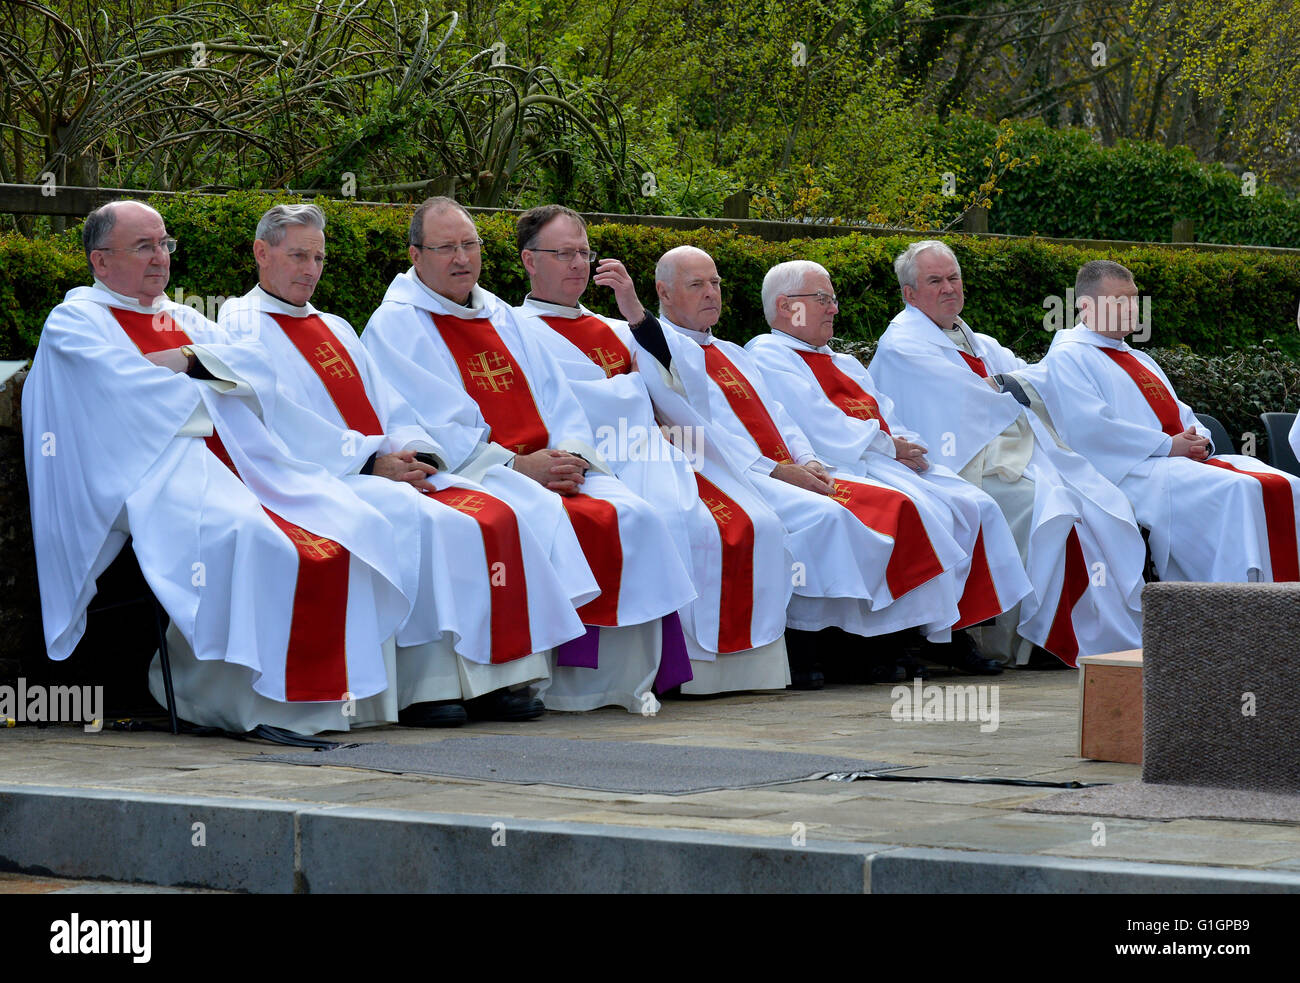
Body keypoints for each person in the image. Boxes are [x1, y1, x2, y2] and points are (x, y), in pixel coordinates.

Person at [23, 200, 416, 735]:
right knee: (258, 537)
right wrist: (208, 382)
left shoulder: (180, 317)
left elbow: (257, 366)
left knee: (352, 524)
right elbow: (121, 393)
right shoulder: (74, 321)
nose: (160, 257)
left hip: (236, 466)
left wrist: (187, 361)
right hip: (147, 476)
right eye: (144, 246)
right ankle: (231, 701)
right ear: (100, 261)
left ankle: (331, 703)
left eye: (164, 243)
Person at [216, 203, 599, 726]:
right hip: (314, 479)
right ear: (262, 254)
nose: (310, 269)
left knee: (494, 515)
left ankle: (498, 676)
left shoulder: (333, 324)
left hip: (383, 468)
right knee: (426, 523)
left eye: (319, 257)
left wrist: (413, 453)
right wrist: (371, 462)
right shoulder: (241, 322)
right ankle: (427, 686)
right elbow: (280, 419)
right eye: (298, 256)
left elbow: (390, 404)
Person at [362, 197, 698, 713]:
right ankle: (524, 679)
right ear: (416, 254)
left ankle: (623, 682)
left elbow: (558, 397)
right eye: (446, 247)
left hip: (546, 462)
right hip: (479, 470)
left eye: (469, 245)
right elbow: (424, 418)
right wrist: (517, 465)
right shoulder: (398, 324)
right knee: (522, 518)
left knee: (636, 514)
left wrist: (570, 457)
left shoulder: (500, 314)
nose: (461, 259)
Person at [629, 245, 977, 686]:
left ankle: (864, 642)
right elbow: (702, 428)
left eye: (715, 283)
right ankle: (815, 644)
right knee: (828, 517)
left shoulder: (733, 351)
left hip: (785, 467)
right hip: (738, 473)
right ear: (664, 291)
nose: (711, 294)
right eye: (697, 285)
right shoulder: (664, 349)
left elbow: (781, 417)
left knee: (850, 513)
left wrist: (807, 460)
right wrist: (776, 470)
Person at [510, 205, 793, 694]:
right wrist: (629, 407)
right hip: (602, 459)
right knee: (677, 521)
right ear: (530, 261)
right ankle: (674, 672)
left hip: (657, 450)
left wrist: (635, 312)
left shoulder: (617, 326)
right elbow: (555, 406)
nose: (578, 264)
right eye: (563, 254)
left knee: (759, 520)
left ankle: (742, 669)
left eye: (584, 253)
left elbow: (672, 384)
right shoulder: (515, 326)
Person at [745, 260, 1034, 674]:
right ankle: (898, 639)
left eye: (833, 299)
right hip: (845, 464)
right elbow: (816, 423)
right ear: (787, 305)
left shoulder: (841, 360)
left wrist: (906, 445)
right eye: (823, 299)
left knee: (975, 505)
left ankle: (951, 629)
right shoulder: (768, 354)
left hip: (879, 459)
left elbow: (884, 410)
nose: (834, 309)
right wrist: (887, 446)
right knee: (913, 510)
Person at [869, 240, 1145, 667]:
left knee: (1097, 505)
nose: (949, 288)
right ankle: (1038, 639)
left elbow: (1026, 377)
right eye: (935, 281)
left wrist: (1024, 377)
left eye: (954, 278)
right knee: (1048, 508)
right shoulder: (902, 344)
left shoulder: (974, 339)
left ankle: (1075, 632)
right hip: (956, 462)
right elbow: (971, 401)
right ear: (910, 294)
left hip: (1013, 449)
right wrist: (1011, 387)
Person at [1038, 259, 1300, 583]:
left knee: (1287, 485)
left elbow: (1181, 412)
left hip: (1172, 463)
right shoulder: (1068, 357)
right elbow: (1089, 430)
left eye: (1134, 299)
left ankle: (1283, 601)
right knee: (1239, 489)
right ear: (1086, 306)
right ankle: (1235, 602)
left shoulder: (1139, 358)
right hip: (1127, 473)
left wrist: (1201, 440)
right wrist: (1168, 445)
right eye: (1119, 301)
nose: (1132, 309)